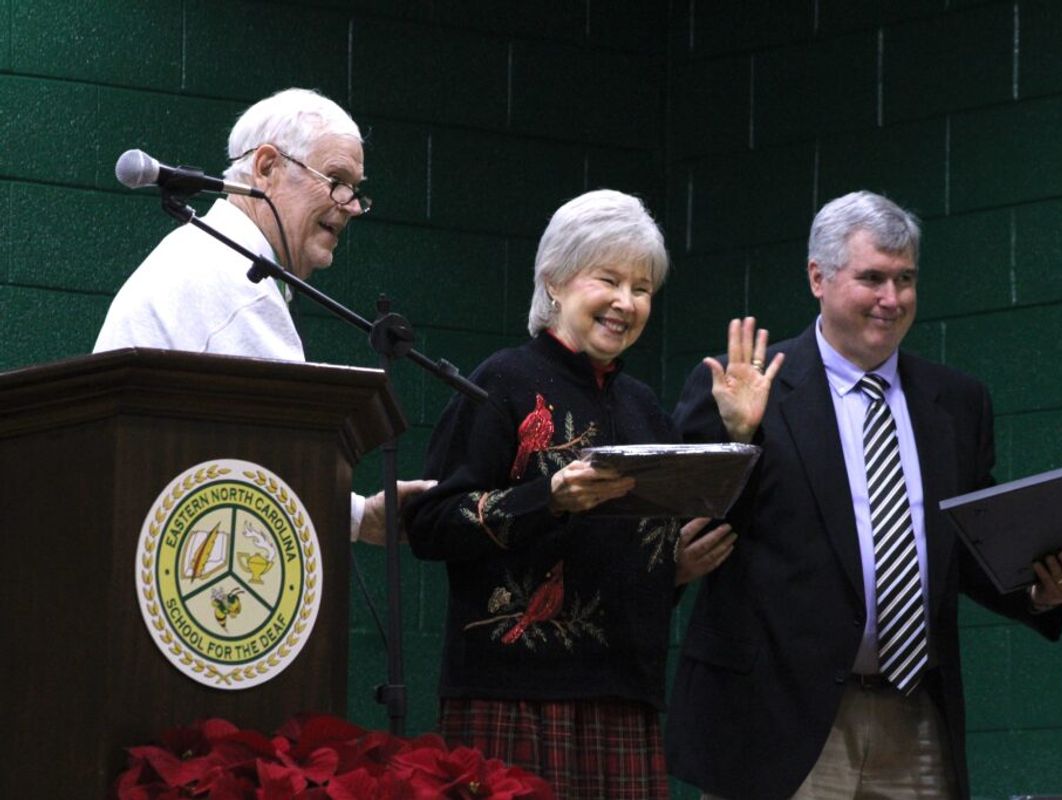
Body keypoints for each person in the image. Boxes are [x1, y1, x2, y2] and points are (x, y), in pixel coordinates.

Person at [665, 190, 1062, 800]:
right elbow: (689, 530)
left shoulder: (957, 401)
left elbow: (967, 547)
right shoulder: (747, 383)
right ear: (818, 277)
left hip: (915, 716)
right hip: (779, 720)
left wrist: (1039, 590)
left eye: (905, 279)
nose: (891, 299)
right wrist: (737, 434)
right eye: (871, 278)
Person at [404, 189, 759, 800]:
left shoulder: (644, 406)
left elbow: (628, 554)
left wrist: (739, 440)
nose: (626, 302)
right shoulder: (503, 380)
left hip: (624, 696)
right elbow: (430, 523)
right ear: (555, 281)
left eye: (642, 288)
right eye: (608, 279)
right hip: (513, 698)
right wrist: (550, 498)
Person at [93, 87, 430, 543]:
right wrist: (361, 518)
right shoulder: (234, 282)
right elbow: (290, 458)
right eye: (336, 179)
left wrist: (363, 516)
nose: (351, 205)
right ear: (267, 167)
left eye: (356, 191)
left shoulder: (211, 254)